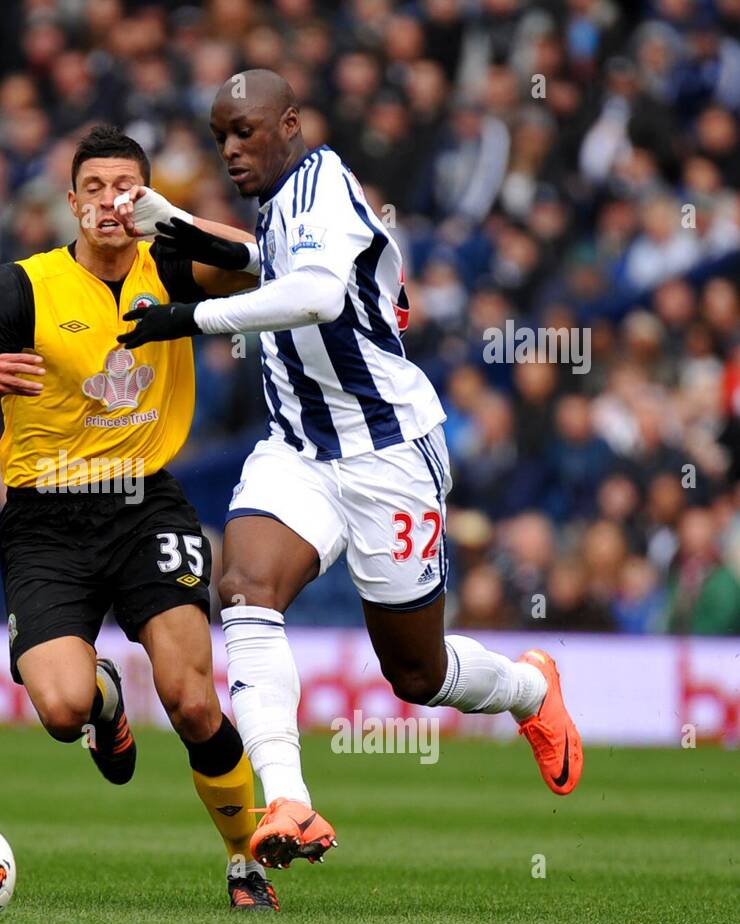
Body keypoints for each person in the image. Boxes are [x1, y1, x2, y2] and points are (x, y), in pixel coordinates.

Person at [115, 70, 585, 872]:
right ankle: (288, 799)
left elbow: (320, 295)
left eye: (247, 132)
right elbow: (262, 259)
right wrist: (178, 225)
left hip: (388, 453)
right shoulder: (282, 206)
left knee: (416, 671)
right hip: (299, 447)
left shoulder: (324, 184)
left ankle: (531, 690)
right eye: (221, 135)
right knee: (245, 587)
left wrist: (186, 318)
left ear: (291, 124)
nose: (231, 149)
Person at [0, 125, 281, 910]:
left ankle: (245, 857)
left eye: (126, 187)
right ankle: (105, 699)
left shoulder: (173, 261)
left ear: (143, 195)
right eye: (95, 188)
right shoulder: (23, 286)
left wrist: (171, 217)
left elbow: (264, 257)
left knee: (190, 698)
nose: (110, 201)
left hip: (146, 502)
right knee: (61, 708)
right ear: (72, 200)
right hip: (45, 519)